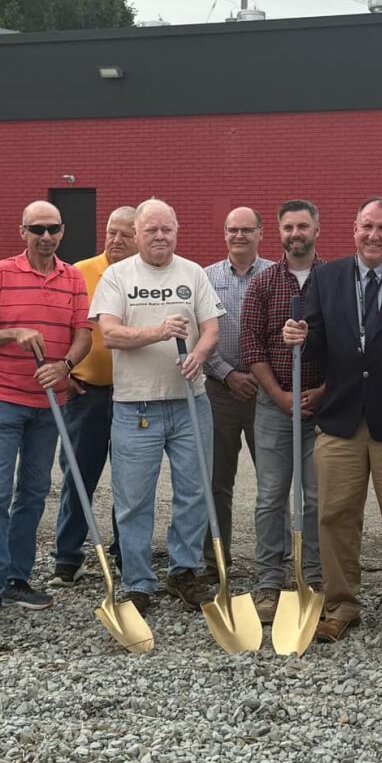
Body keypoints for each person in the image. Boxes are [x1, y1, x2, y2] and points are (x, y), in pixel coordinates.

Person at [284, 197, 382, 644]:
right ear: (353, 228)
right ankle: (340, 604)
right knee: (335, 516)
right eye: (366, 227)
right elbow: (315, 343)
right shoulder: (327, 276)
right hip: (341, 419)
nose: (373, 236)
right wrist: (297, 337)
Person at [90, 197, 223, 615]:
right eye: (151, 230)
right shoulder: (117, 276)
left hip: (190, 404)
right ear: (137, 235)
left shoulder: (193, 273)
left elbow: (212, 328)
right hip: (136, 406)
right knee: (133, 499)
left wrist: (199, 355)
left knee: (194, 491)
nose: (160, 236)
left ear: (176, 231)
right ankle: (137, 581)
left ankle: (184, 570)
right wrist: (159, 332)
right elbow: (109, 334)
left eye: (167, 229)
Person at [0, 201, 91, 633]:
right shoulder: (0, 273)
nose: (45, 236)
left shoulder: (72, 277)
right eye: (37, 228)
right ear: (23, 232)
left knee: (34, 491)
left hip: (49, 402)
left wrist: (66, 366)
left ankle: (17, 577)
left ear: (62, 231)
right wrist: (13, 332)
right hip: (2, 397)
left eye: (52, 228)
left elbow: (83, 335)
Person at [239, 201, 324, 625]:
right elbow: (250, 345)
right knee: (271, 495)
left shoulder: (334, 280)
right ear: (279, 231)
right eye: (288, 226)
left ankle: (312, 576)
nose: (296, 233)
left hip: (322, 408)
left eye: (303, 226)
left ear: (316, 230)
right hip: (275, 407)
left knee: (315, 496)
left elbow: (349, 344)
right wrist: (279, 395)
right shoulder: (264, 283)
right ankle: (269, 581)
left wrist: (322, 391)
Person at [49, 206, 136, 586]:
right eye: (111, 233)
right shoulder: (79, 272)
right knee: (78, 475)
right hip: (87, 394)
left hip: (133, 396)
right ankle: (68, 557)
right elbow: (55, 325)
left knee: (130, 479)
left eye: (126, 235)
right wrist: (63, 373)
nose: (116, 240)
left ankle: (125, 554)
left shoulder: (145, 276)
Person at [204, 206, 273, 568]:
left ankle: (272, 563)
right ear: (225, 233)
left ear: (261, 233)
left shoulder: (277, 275)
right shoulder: (206, 277)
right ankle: (216, 560)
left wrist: (263, 379)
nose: (240, 236)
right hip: (221, 392)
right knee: (217, 482)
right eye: (233, 230)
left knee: (273, 484)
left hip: (268, 395)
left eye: (247, 230)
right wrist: (227, 373)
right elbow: (199, 334)